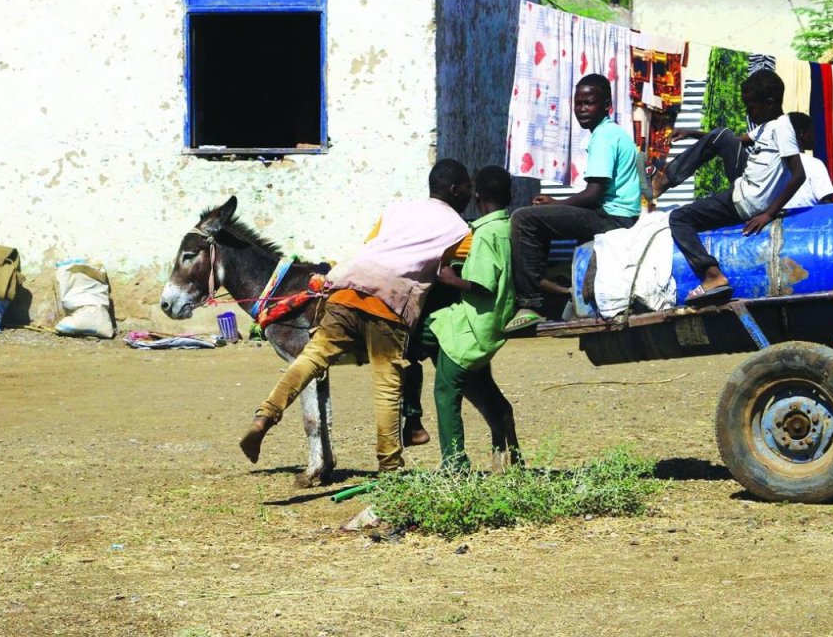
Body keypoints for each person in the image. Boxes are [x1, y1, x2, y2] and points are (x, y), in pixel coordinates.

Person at [239, 159, 474, 473]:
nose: (471, 194)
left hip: (345, 288)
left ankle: (264, 416)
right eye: (469, 188)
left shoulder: (396, 210)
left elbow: (373, 247)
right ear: (456, 189)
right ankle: (390, 467)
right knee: (387, 383)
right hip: (388, 303)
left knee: (310, 358)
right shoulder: (459, 229)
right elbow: (469, 263)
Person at [504, 73, 642, 332]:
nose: (582, 109)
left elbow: (593, 195)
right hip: (615, 213)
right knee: (542, 217)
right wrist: (555, 205)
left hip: (614, 218)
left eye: (588, 103)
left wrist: (556, 201)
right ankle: (556, 296)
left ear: (606, 105)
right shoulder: (609, 133)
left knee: (524, 219)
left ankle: (530, 304)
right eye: (578, 103)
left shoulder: (604, 137)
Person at [661, 68, 805, 306]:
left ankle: (711, 275)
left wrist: (769, 213)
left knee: (678, 218)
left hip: (747, 199)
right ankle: (665, 179)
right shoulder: (767, 126)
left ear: (769, 103)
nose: (749, 113)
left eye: (751, 107)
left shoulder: (782, 127)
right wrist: (692, 134)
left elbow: (798, 175)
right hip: (745, 187)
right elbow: (726, 141)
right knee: (723, 135)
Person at [419, 165, 520, 470]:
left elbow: (483, 285)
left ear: (477, 197)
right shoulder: (510, 227)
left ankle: (455, 463)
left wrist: (449, 278)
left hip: (476, 323)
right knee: (478, 384)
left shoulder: (485, 233)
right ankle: (509, 453)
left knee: (445, 389)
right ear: (510, 196)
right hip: (494, 320)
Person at [653, 112, 833, 211]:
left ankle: (665, 180)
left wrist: (692, 133)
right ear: (802, 134)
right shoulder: (814, 164)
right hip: (760, 203)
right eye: (813, 131)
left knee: (723, 134)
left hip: (752, 199)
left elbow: (727, 140)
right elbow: (828, 205)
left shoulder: (771, 139)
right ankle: (665, 180)